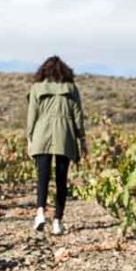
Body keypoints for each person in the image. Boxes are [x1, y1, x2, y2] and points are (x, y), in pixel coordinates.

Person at [26, 56, 87, 235]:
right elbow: (78, 116)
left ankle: (40, 213)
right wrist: (82, 139)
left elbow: (32, 116)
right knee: (62, 180)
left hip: (41, 132)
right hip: (65, 134)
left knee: (42, 176)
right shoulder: (72, 89)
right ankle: (57, 221)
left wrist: (29, 138)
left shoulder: (36, 88)